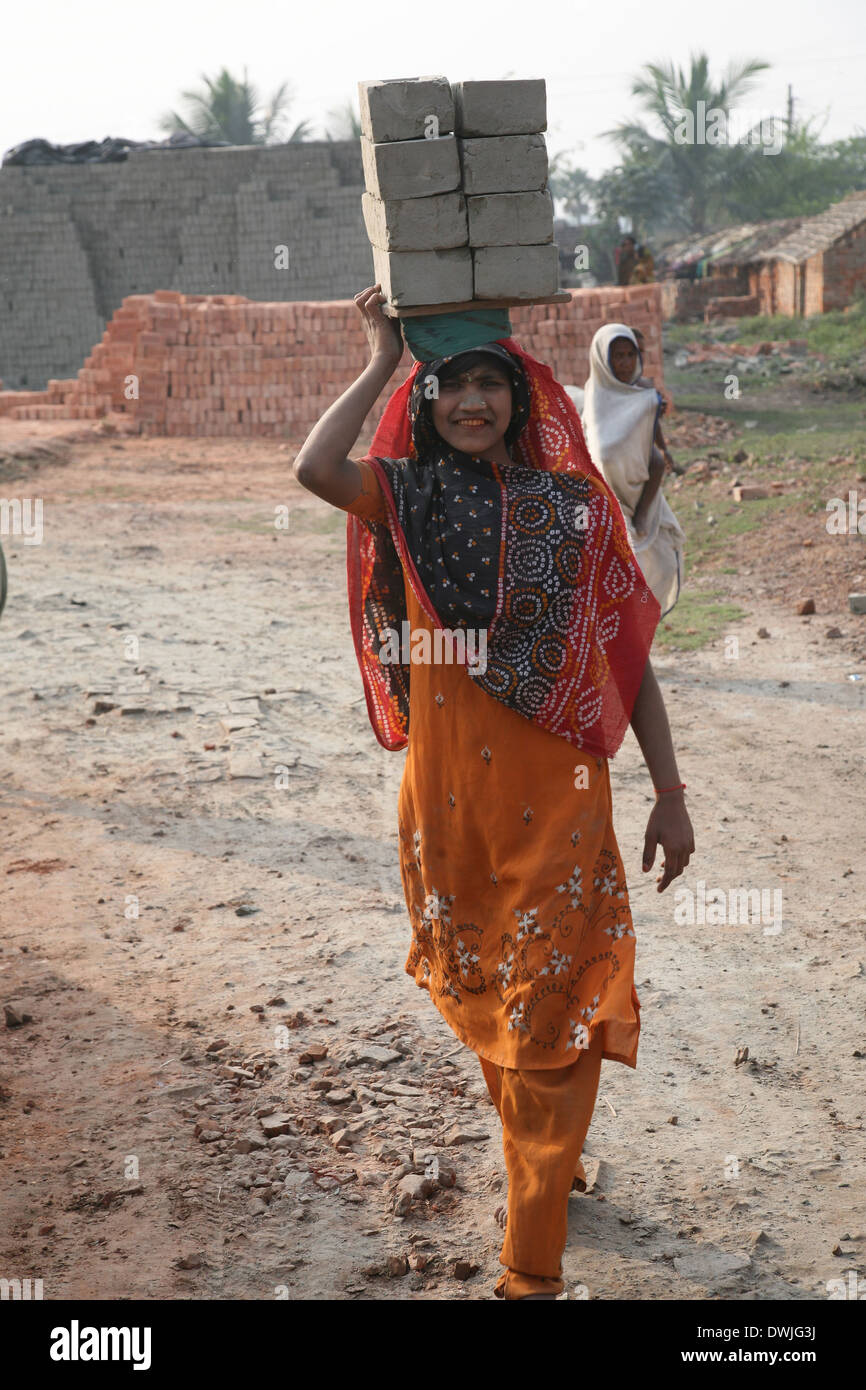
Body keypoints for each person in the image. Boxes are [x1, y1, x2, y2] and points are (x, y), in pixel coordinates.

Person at [294, 285, 695, 1300]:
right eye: (453, 384)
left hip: (559, 799)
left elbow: (625, 654)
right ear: (426, 401)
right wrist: (381, 356)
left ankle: (532, 1265)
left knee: (558, 1009)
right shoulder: (404, 500)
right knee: (494, 1003)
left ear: (520, 402)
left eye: (490, 384)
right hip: (448, 813)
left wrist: (669, 790)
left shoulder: (569, 509)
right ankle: (544, 1174)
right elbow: (312, 468)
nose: (472, 400)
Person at [582, 323, 686, 617]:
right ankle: (626, 641)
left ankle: (642, 629)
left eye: (630, 355)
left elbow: (652, 452)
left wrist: (642, 510)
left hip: (641, 493)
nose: (625, 363)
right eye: (618, 356)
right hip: (607, 499)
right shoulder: (595, 397)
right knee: (622, 572)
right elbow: (598, 451)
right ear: (603, 359)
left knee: (664, 563)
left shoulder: (644, 396)